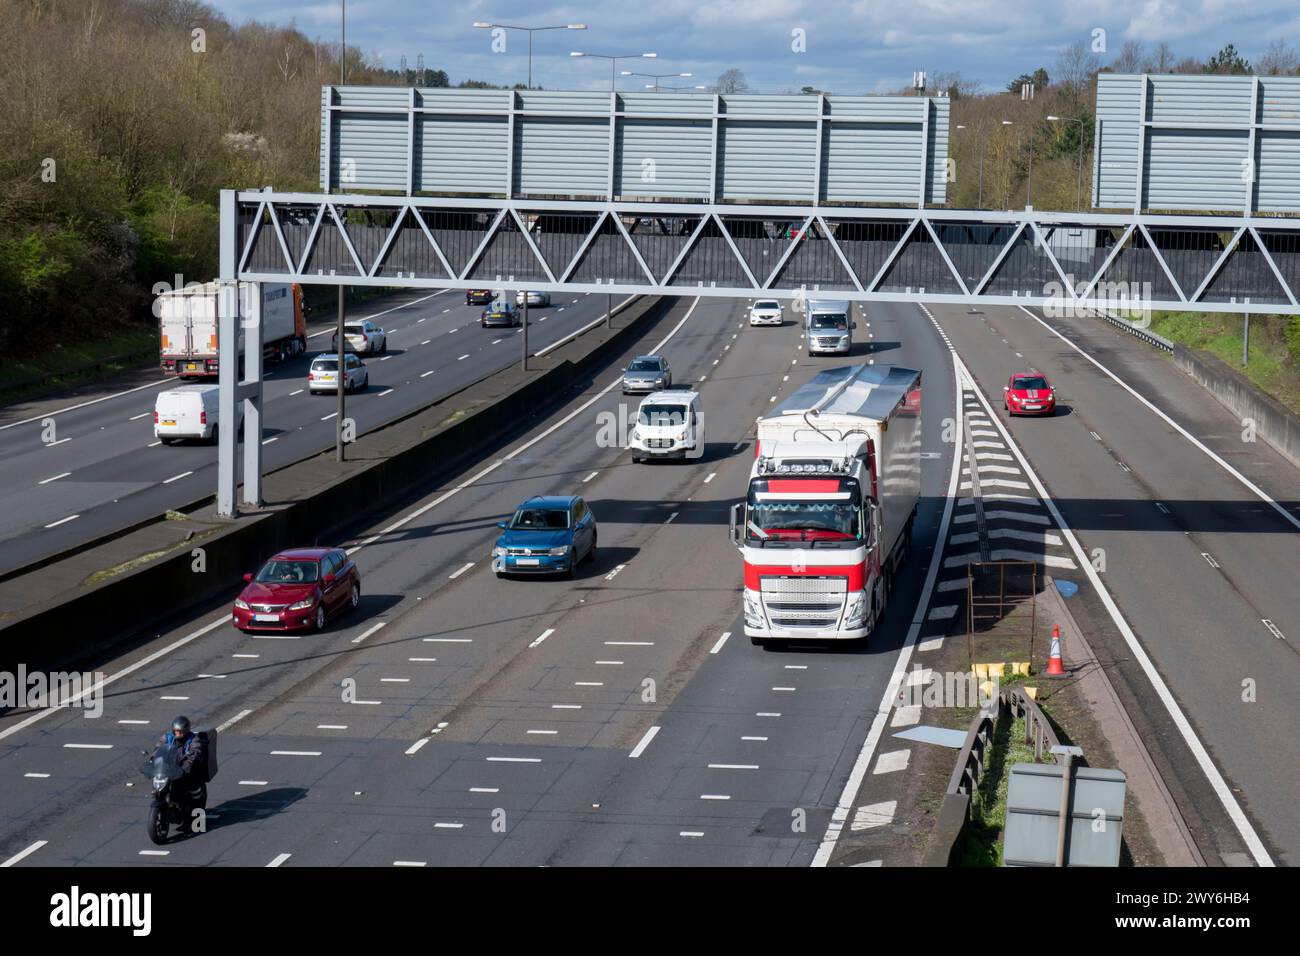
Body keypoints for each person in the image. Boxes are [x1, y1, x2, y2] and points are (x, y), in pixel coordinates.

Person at [158, 716, 207, 817]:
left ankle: (197, 816)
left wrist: (187, 764)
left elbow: (196, 752)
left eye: (180, 731)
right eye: (175, 731)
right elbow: (159, 747)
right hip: (170, 769)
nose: (177, 733)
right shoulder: (167, 737)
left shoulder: (193, 740)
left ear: (186, 730)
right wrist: (154, 757)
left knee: (194, 793)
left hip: (187, 771)